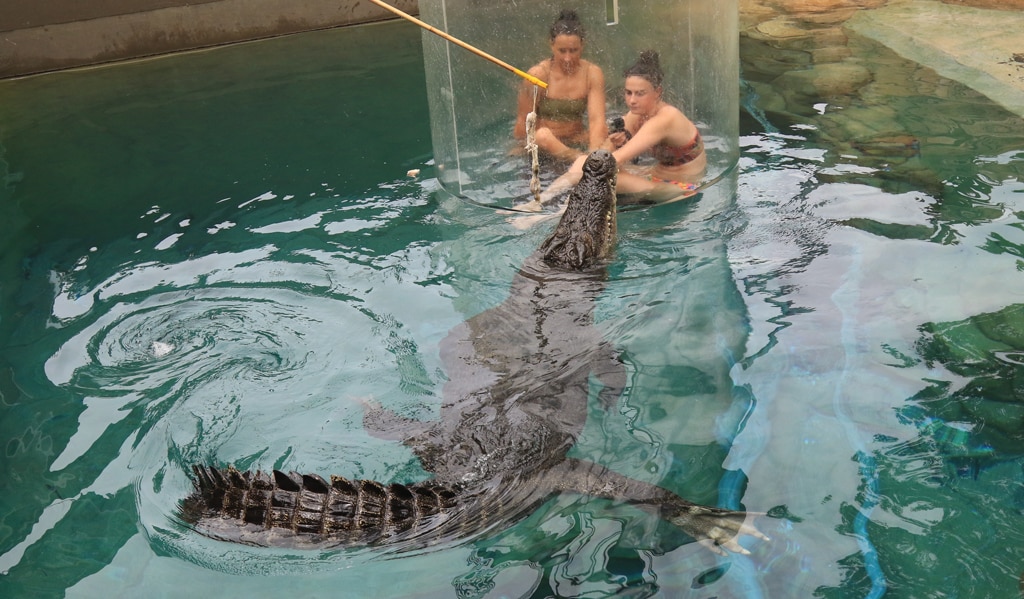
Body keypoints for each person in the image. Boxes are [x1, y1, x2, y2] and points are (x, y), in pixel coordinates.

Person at [530, 50, 706, 208]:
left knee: (596, 173)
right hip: (654, 177)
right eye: (628, 93)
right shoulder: (636, 115)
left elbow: (612, 162)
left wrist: (582, 170)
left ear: (657, 92)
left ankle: (553, 213)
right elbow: (601, 155)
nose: (632, 100)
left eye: (640, 93)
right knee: (583, 162)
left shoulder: (666, 118)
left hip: (681, 188)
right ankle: (538, 202)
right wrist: (613, 143)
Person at [514, 10, 607, 162]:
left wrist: (595, 150)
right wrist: (522, 147)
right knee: (543, 135)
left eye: (573, 50)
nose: (568, 58)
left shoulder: (592, 73)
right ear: (551, 45)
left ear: (582, 45)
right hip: (543, 144)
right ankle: (582, 161)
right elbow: (522, 121)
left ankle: (590, 161)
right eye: (562, 51)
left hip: (576, 140)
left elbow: (597, 120)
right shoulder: (538, 75)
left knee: (611, 132)